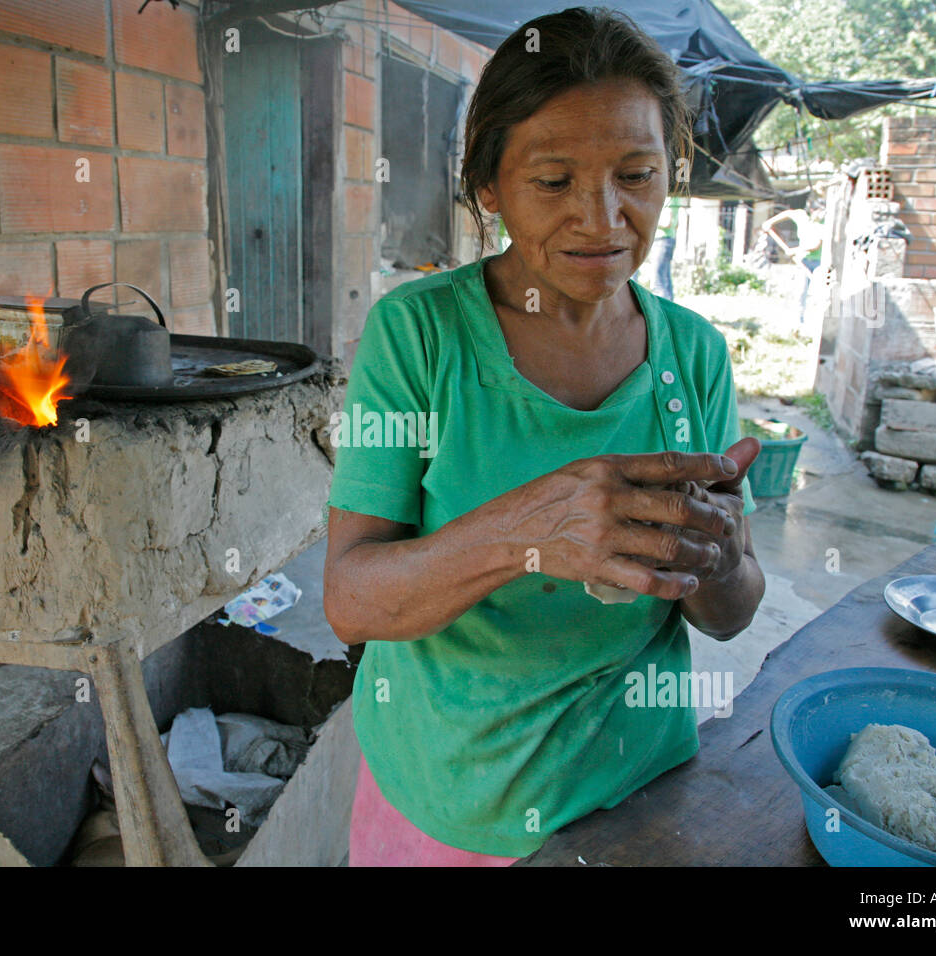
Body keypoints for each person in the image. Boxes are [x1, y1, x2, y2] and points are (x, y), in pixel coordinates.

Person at [322, 6, 765, 866]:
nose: (602, 219)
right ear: (489, 188)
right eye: (555, 182)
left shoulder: (694, 355)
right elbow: (351, 600)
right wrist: (528, 532)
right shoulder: (420, 336)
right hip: (453, 804)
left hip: (640, 798)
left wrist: (715, 560)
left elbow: (732, 616)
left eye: (636, 175)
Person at [762, 197, 825, 326]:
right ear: (812, 209)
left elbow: (816, 244)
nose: (822, 214)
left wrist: (795, 250)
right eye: (819, 211)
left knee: (818, 294)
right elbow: (788, 213)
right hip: (803, 261)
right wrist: (769, 222)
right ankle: (798, 323)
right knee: (800, 292)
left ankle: (816, 323)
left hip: (819, 262)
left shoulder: (823, 222)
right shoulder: (801, 216)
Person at [649, 194, 683, 299]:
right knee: (666, 281)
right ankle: (669, 311)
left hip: (661, 239)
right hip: (669, 238)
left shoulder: (668, 196)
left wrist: (647, 221)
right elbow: (676, 224)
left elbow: (666, 222)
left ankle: (660, 313)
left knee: (657, 282)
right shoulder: (676, 196)